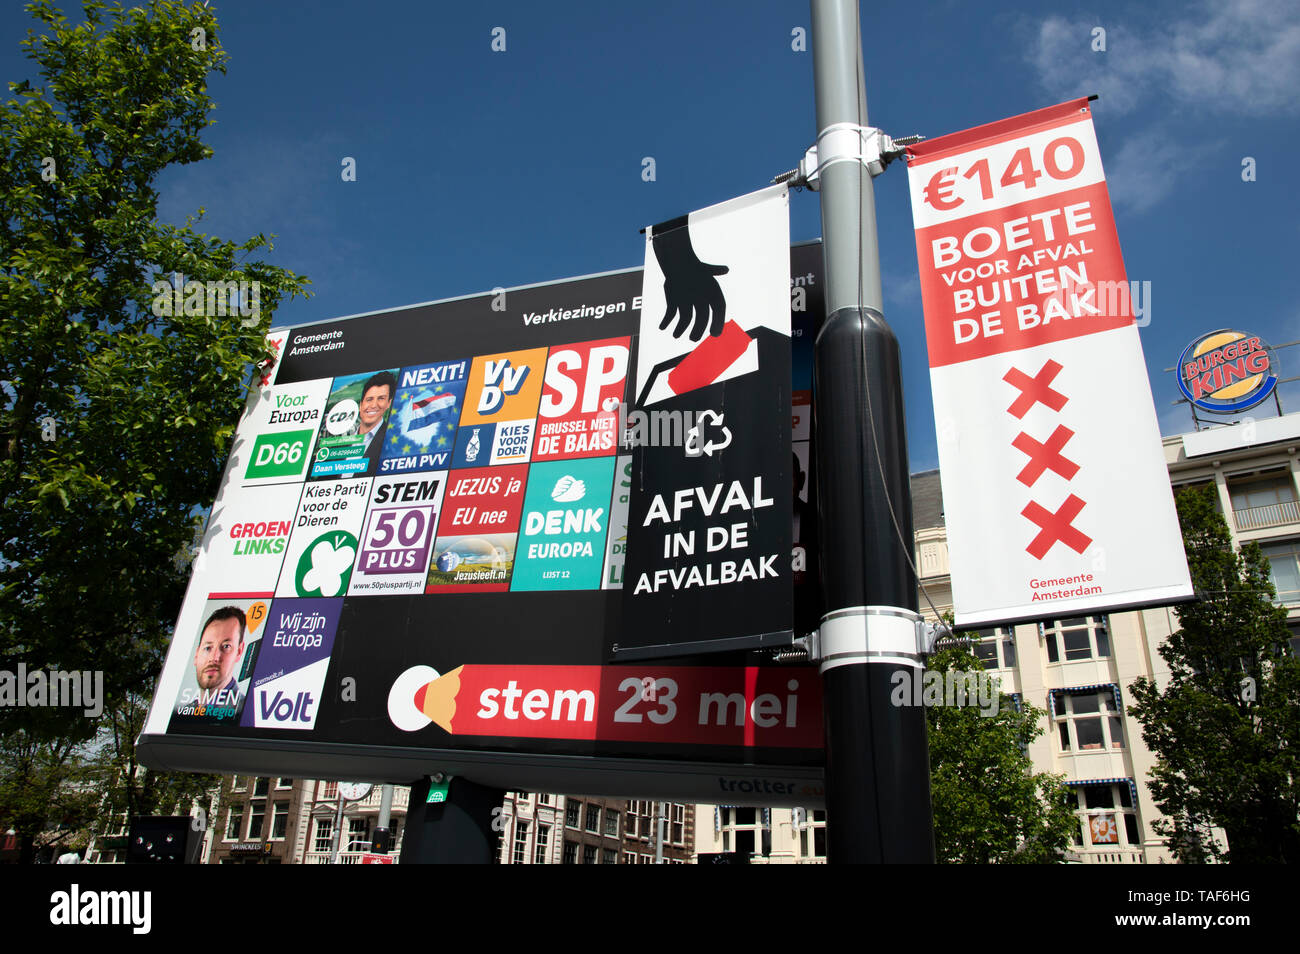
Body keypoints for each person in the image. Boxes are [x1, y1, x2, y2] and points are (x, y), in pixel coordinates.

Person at [192, 606, 247, 709]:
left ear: (239, 652)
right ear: (196, 654)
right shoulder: (179, 713)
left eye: (226, 646)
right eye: (208, 648)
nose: (214, 657)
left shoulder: (246, 711)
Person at [358, 371, 396, 474]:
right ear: (361, 405)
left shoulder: (392, 442)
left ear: (388, 403)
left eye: (381, 398)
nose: (374, 405)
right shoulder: (341, 444)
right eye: (369, 399)